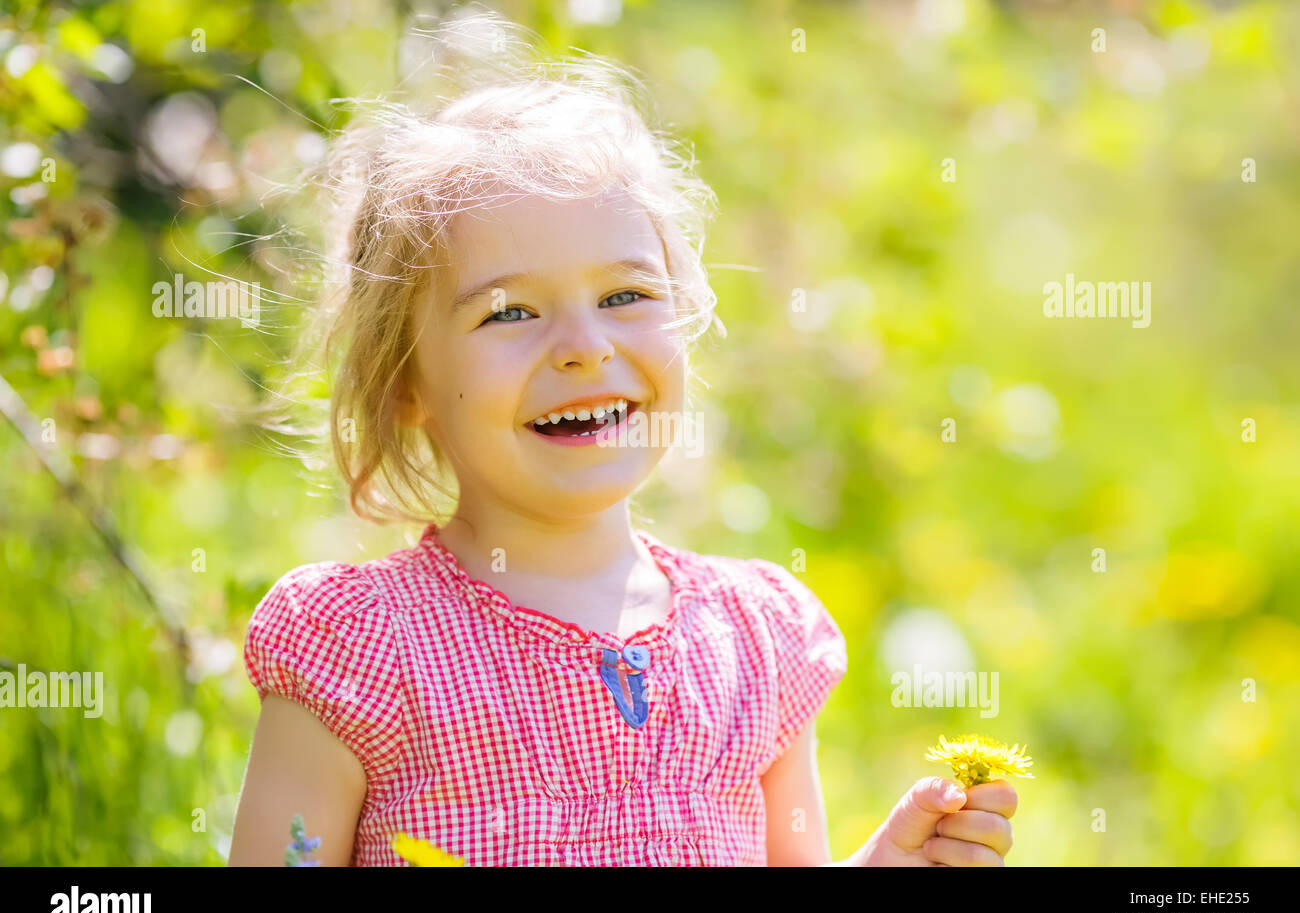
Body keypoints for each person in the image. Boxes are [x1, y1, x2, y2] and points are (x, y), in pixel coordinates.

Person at [228, 11, 1016, 866]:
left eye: (625, 297)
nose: (585, 346)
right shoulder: (362, 649)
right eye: (511, 312)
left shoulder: (754, 644)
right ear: (407, 383)